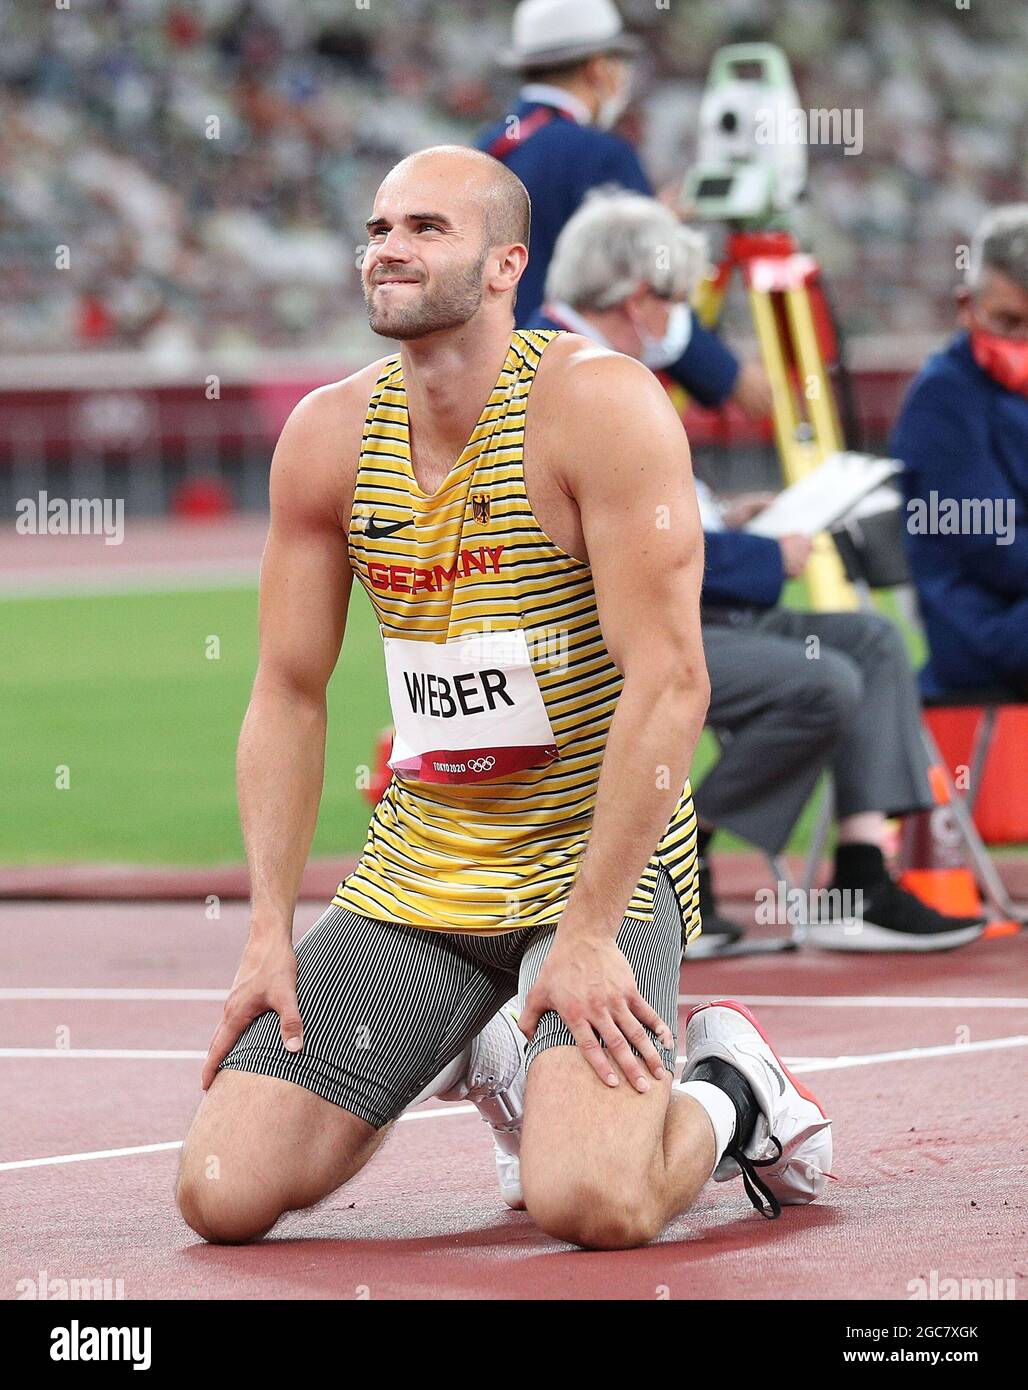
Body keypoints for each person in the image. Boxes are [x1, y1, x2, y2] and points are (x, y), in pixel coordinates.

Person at [174, 146, 832, 1250]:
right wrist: (268, 935)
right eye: (379, 228)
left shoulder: (596, 407)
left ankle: (730, 1088)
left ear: (502, 266)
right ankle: (480, 1040)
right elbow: (286, 694)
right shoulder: (329, 438)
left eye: (426, 228)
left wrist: (585, 930)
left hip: (595, 869)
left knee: (591, 1202)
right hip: (423, 874)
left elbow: (670, 683)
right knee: (222, 1190)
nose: (388, 248)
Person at [531, 190, 987, 955]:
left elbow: (643, 512)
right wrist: (763, 555)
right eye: (680, 302)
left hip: (673, 603)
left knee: (870, 643)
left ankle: (862, 877)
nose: (689, 328)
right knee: (821, 682)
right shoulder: (575, 374)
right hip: (608, 631)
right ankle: (678, 862)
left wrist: (721, 516)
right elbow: (631, 546)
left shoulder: (597, 363)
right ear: (641, 298)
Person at [476, 0, 771, 417]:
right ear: (599, 68)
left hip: (493, 392)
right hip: (571, 389)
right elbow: (644, 282)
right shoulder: (600, 154)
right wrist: (728, 376)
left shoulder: (487, 147)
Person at [891, 204, 1028, 699]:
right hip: (982, 633)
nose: (1021, 340)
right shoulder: (942, 399)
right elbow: (994, 546)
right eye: (1008, 321)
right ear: (966, 306)